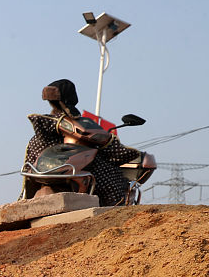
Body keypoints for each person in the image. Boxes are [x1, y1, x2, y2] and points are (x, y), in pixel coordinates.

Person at [23, 78, 133, 206]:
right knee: (109, 172)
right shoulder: (75, 126)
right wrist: (127, 153)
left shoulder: (44, 127)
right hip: (62, 171)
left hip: (43, 177)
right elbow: (111, 149)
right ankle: (115, 206)